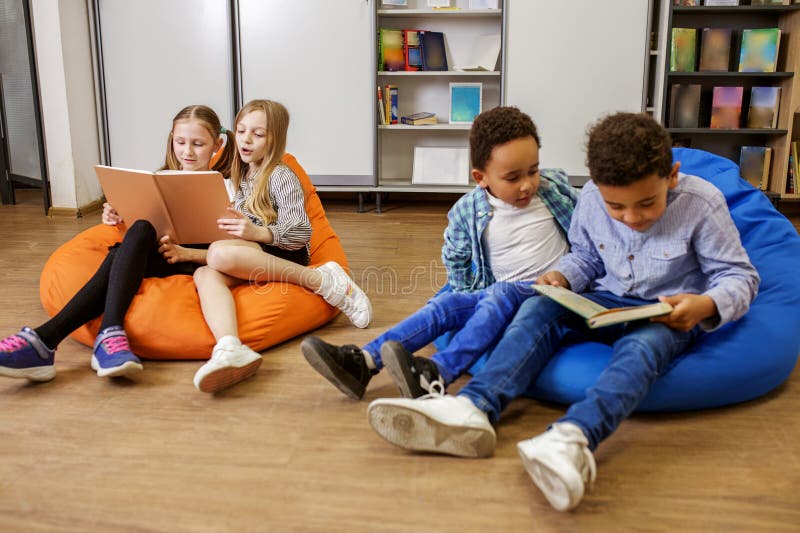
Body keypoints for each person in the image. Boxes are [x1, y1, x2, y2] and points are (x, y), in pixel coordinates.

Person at [366, 112, 760, 512]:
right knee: (538, 307)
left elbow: (740, 276)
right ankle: (472, 407)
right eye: (616, 207)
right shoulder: (589, 197)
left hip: (665, 311)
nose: (631, 218)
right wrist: (562, 277)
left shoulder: (702, 203)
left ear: (672, 177)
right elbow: (586, 257)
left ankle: (572, 438)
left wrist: (706, 304)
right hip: (604, 299)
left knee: (643, 349)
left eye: (646, 203)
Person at [300, 106, 577, 400]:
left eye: (533, 170)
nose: (527, 184)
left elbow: (591, 223)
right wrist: (467, 294)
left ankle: (436, 375)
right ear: (481, 177)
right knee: (447, 304)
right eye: (512, 178)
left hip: (550, 298)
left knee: (498, 297)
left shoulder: (553, 188)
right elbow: (455, 256)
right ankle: (363, 362)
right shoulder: (468, 211)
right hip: (499, 293)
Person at [0, 104, 236, 381]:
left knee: (119, 256)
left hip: (193, 259)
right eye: (180, 142)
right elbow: (142, 224)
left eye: (198, 144)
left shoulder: (228, 185)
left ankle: (47, 340)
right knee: (140, 228)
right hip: (158, 253)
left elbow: (231, 243)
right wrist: (117, 213)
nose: (187, 152)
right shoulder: (159, 179)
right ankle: (99, 338)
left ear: (217, 144)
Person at [191, 99, 372, 393]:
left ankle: (322, 279)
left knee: (219, 253)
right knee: (204, 274)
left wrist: (258, 232)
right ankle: (229, 346)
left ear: (276, 139)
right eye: (241, 130)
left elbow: (301, 232)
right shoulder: (243, 174)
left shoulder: (281, 174)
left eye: (258, 134)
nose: (246, 139)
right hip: (250, 254)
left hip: (285, 252)